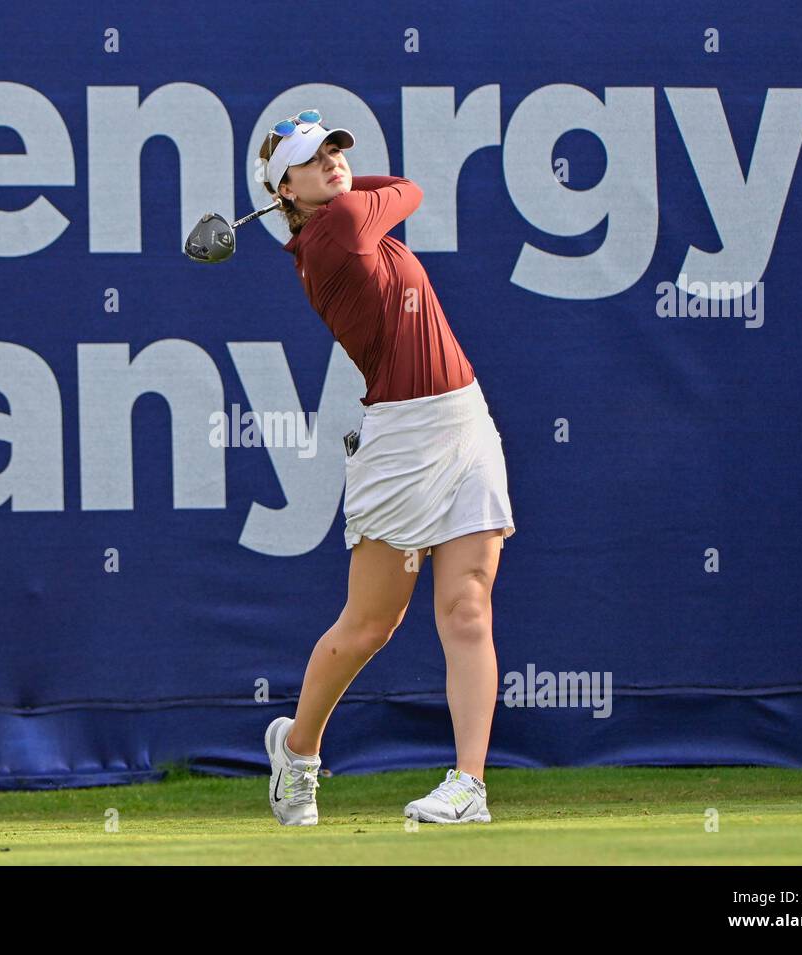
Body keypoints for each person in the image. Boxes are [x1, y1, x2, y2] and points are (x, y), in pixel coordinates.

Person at [257, 109, 515, 826]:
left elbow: (392, 189)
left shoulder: (333, 218)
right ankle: (299, 753)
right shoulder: (337, 231)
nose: (336, 162)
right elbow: (409, 188)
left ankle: (469, 784)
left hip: (465, 419)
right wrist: (319, 197)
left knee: (467, 607)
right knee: (372, 624)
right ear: (286, 191)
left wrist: (307, 188)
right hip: (400, 442)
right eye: (314, 159)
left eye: (337, 150)